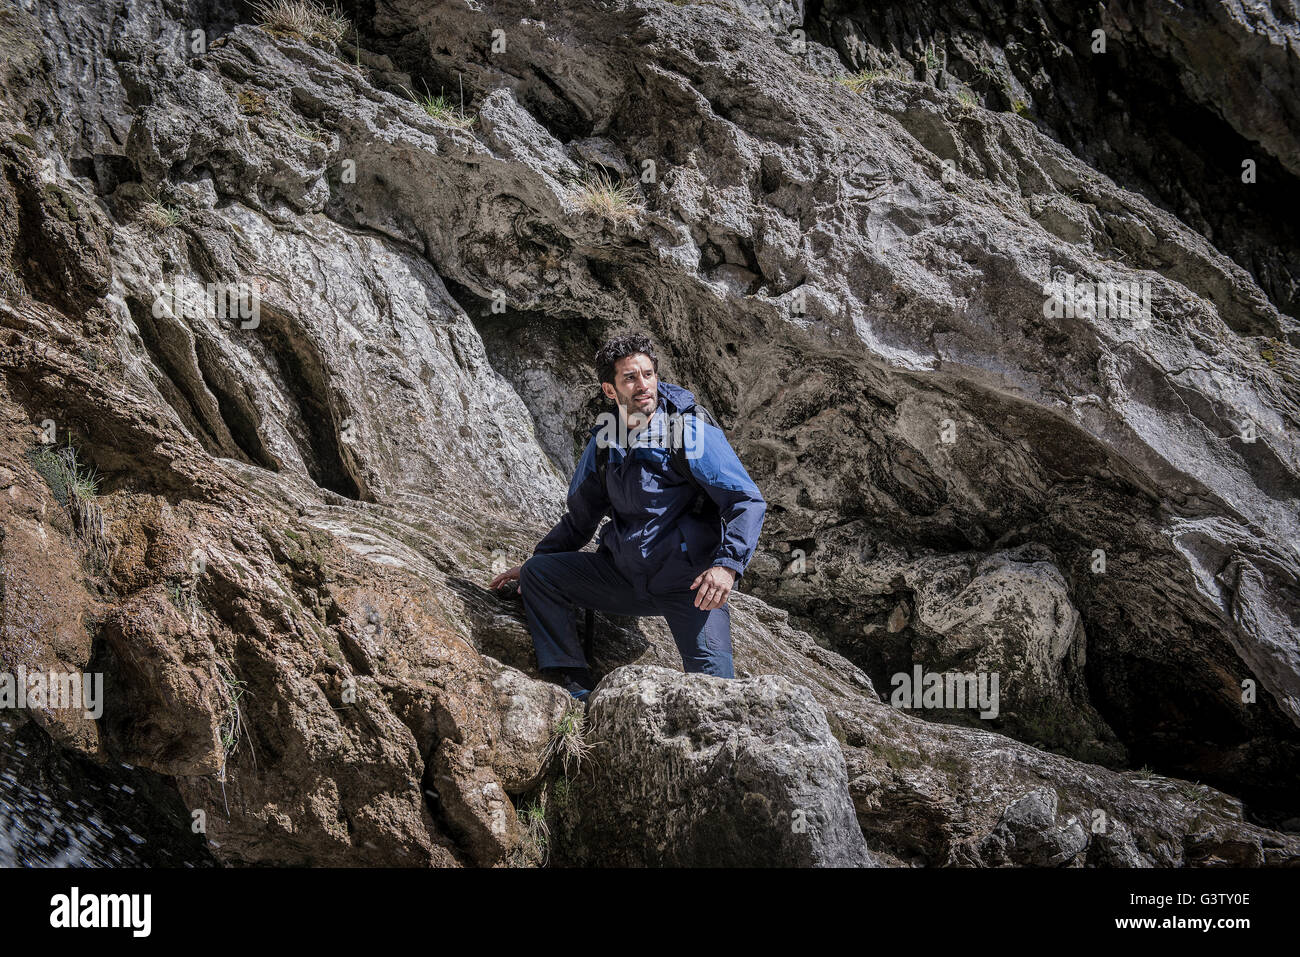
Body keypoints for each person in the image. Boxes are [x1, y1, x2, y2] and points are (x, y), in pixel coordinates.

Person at [489, 333, 767, 700]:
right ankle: (573, 687)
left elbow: (746, 501)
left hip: (689, 587)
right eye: (630, 378)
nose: (643, 386)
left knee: (716, 695)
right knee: (540, 574)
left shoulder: (689, 431)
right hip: (622, 578)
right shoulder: (605, 441)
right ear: (609, 389)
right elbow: (580, 519)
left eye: (648, 374)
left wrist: (727, 566)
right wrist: (535, 562)